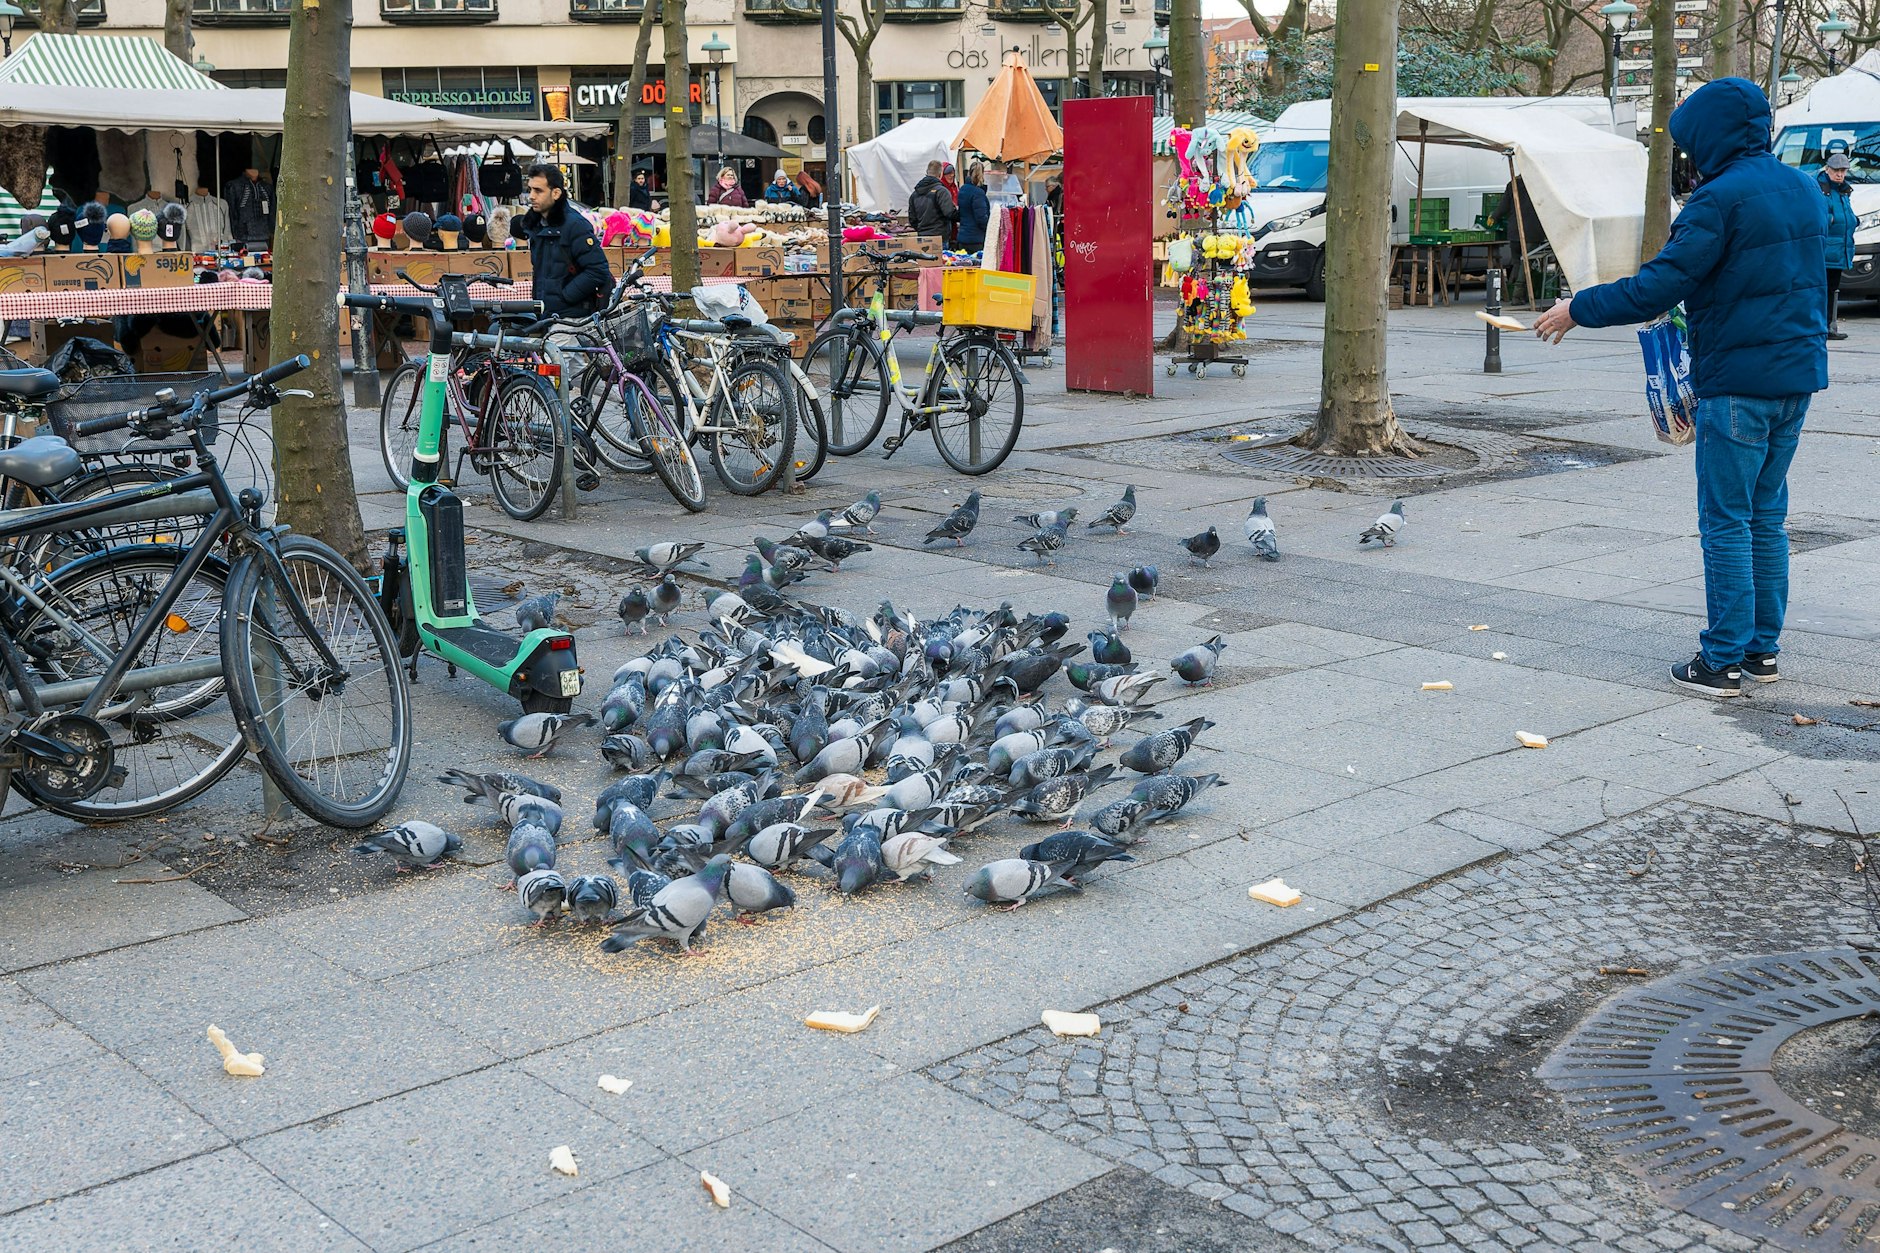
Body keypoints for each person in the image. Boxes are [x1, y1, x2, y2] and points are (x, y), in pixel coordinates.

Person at [1533, 77, 1828, 699]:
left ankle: (1720, 661)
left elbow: (1660, 284)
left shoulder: (1717, 201)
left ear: (1711, 138)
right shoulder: (1802, 186)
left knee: (1725, 520)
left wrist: (1577, 308)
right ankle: (1761, 652)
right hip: (1796, 376)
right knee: (1766, 517)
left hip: (1737, 385)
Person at [516, 164, 613, 318]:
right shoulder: (536, 224)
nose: (531, 196)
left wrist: (565, 297)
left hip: (571, 319)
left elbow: (598, 271)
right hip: (545, 314)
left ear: (556, 193)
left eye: (538, 190)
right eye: (530, 190)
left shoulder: (575, 225)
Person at [1820, 148, 1855, 340]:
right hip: (1826, 251)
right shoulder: (1821, 189)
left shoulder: (1844, 191)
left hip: (1839, 250)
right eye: (1836, 170)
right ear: (1827, 169)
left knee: (1833, 290)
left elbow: (1846, 217)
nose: (1840, 174)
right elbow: (1816, 216)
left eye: (1843, 171)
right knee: (1825, 290)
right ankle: (1823, 328)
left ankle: (1829, 327)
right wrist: (1831, 219)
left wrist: (1854, 220)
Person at [222, 167, 273, 248]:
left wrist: (272, 231)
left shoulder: (268, 187)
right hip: (242, 236)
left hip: (265, 235)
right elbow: (231, 213)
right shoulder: (233, 186)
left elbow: (272, 211)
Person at [907, 160, 957, 238]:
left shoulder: (915, 194)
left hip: (922, 236)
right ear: (940, 174)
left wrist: (921, 230)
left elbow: (912, 219)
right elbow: (949, 213)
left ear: (927, 172)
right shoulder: (942, 191)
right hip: (940, 236)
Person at [184, 182, 230, 253]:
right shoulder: (185, 206)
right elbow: (182, 236)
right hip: (195, 256)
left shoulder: (221, 204)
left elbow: (227, 232)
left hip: (220, 255)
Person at [955, 162, 990, 252]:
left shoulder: (962, 189)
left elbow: (960, 213)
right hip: (976, 239)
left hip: (963, 237)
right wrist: (989, 229)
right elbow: (981, 218)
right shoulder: (978, 193)